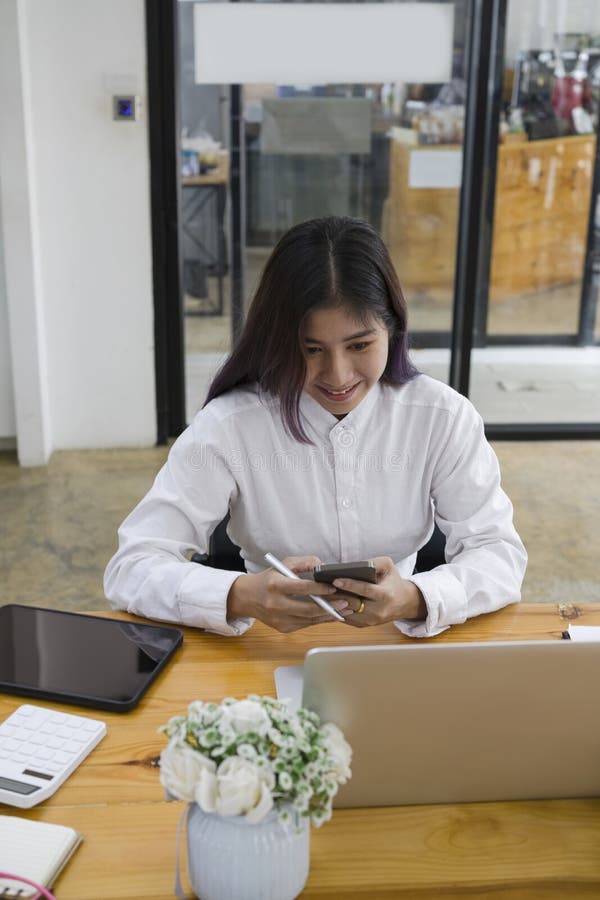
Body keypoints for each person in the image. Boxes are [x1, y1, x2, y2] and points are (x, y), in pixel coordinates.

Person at [104, 216, 527, 637]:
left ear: (393, 328)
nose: (338, 375)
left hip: (398, 639)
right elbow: (131, 568)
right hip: (264, 644)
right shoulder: (228, 425)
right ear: (279, 341)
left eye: (360, 345)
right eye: (310, 349)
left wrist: (415, 598)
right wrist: (243, 594)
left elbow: (498, 554)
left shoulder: (442, 417)